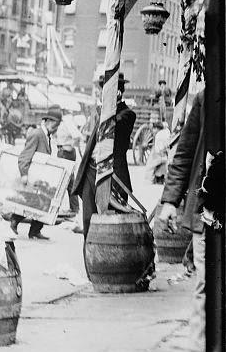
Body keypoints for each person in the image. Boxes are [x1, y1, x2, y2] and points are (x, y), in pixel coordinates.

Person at [157, 90, 207, 352]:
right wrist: (169, 202)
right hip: (208, 208)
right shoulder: (206, 97)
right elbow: (185, 152)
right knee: (206, 282)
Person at [70, 75, 137, 236]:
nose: (102, 94)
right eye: (103, 90)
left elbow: (116, 125)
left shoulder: (127, 115)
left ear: (118, 93)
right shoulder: (100, 112)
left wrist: (108, 108)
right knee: (88, 218)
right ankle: (89, 256)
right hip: (91, 171)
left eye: (107, 91)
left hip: (112, 173)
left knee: (110, 220)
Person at [10, 105, 62, 240]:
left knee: (43, 203)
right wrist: (24, 174)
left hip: (41, 177)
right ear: (49, 122)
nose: (56, 128)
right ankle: (13, 223)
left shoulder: (47, 135)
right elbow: (24, 156)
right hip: (32, 175)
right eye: (56, 125)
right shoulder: (36, 134)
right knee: (29, 202)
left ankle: (35, 230)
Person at [145, 118, 171, 184]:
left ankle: (150, 178)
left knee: (150, 163)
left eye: (154, 129)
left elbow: (157, 149)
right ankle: (161, 179)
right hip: (166, 153)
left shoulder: (158, 136)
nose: (153, 131)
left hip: (160, 154)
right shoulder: (167, 132)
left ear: (157, 128)